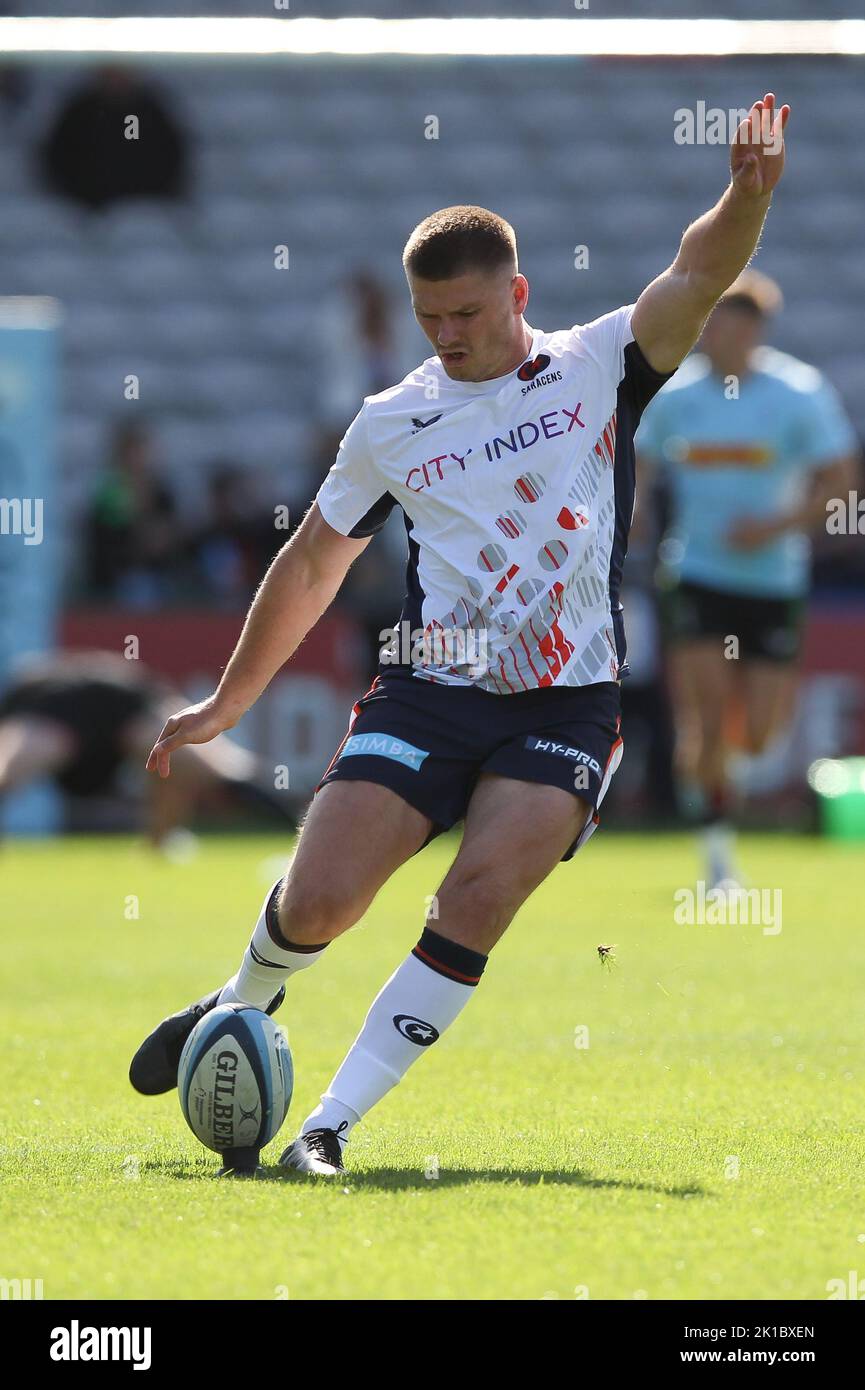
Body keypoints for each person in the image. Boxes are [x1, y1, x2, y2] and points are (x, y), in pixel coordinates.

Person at [130, 95, 790, 1177]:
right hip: (431, 683)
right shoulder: (391, 419)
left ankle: (327, 1126)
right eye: (430, 316)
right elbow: (311, 562)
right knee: (325, 897)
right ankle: (239, 999)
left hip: (568, 697)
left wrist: (744, 195)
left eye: (468, 314)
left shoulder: (595, 367)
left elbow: (695, 273)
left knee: (477, 894)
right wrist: (229, 703)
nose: (448, 333)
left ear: (516, 293)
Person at [637, 270, 857, 887]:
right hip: (697, 573)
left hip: (772, 582)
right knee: (706, 716)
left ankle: (717, 778)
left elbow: (843, 484)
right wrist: (632, 513)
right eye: (712, 324)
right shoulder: (679, 397)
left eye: (734, 324)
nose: (720, 336)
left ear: (756, 330)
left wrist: (777, 526)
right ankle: (716, 856)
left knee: (757, 737)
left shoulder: (799, 394)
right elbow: (641, 466)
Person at [0, 650, 290, 848]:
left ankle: (158, 845)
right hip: (53, 710)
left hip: (121, 702)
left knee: (209, 769)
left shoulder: (130, 700)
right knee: (207, 767)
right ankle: (160, 844)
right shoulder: (37, 705)